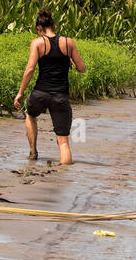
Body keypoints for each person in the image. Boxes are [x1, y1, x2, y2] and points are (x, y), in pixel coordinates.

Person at [14, 9, 86, 165]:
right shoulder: (68, 43)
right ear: (54, 25)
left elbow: (30, 70)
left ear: (39, 28)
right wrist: (71, 61)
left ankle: (33, 152)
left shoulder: (38, 43)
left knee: (30, 114)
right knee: (63, 141)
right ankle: (64, 176)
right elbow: (82, 69)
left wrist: (20, 93)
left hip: (40, 93)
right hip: (61, 96)